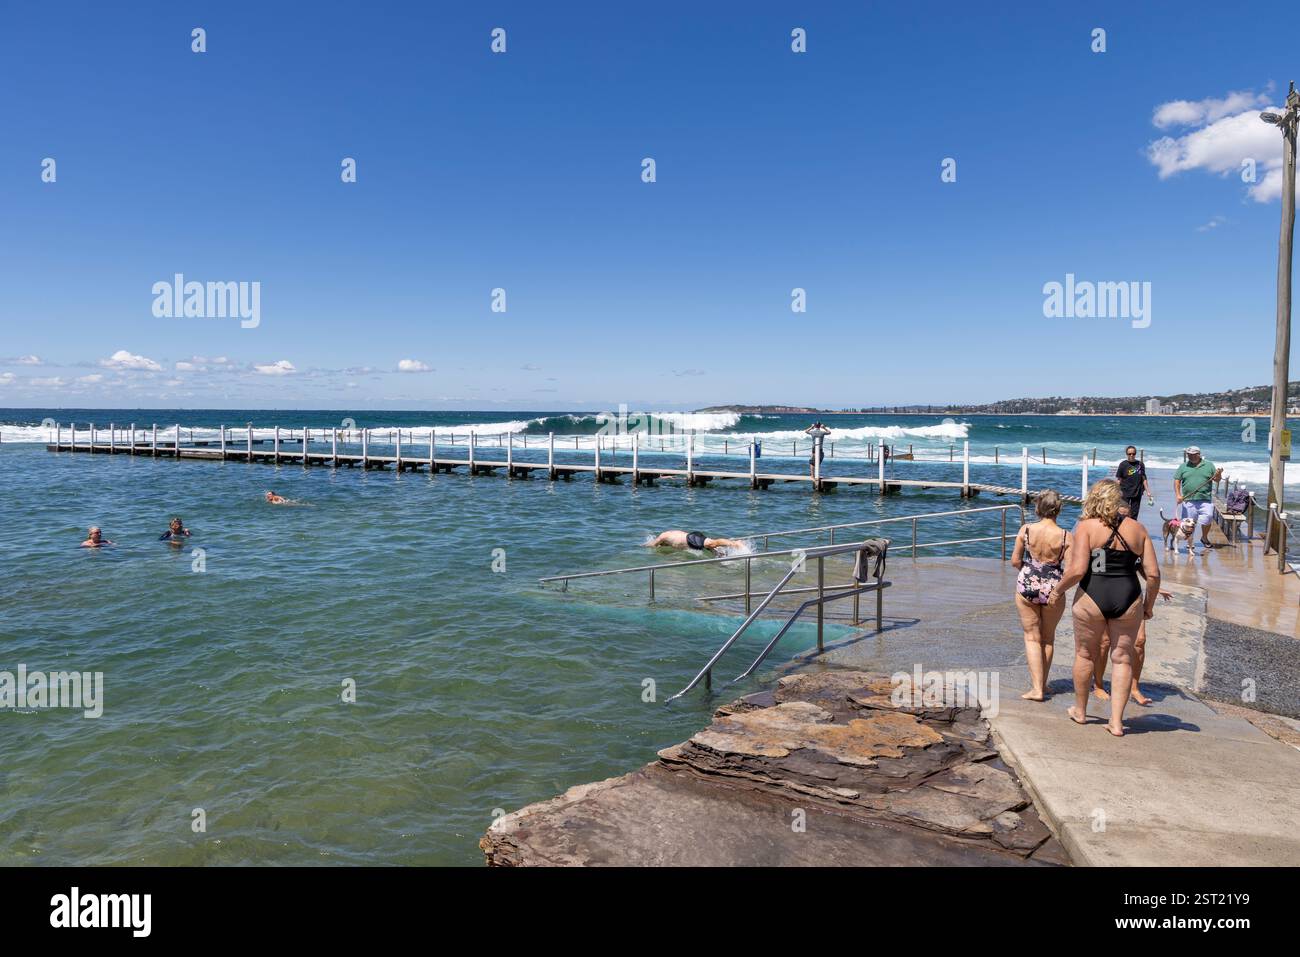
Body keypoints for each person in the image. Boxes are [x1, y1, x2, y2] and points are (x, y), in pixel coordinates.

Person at [1050, 479, 1161, 737]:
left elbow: (1077, 570)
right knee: (1122, 658)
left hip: (1092, 595)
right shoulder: (1138, 529)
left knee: (1085, 654)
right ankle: (1117, 722)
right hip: (1128, 596)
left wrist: (1057, 590)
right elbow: (1153, 575)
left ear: (1094, 499)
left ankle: (1080, 711)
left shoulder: (1086, 527)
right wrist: (1148, 606)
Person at [1010, 489, 1071, 701]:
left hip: (1028, 581)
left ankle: (1036, 688)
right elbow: (1072, 570)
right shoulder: (1065, 536)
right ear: (1059, 509)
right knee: (1047, 638)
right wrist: (1057, 587)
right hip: (1054, 586)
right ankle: (1042, 686)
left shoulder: (1026, 529)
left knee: (1031, 636)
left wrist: (1028, 573)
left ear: (1038, 508)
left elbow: (1015, 560)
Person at [1173, 446, 1222, 553]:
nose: (1189, 456)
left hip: (1205, 499)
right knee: (1189, 522)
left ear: (1198, 454)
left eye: (1192, 454)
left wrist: (1219, 474)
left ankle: (1204, 537)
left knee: (1208, 517)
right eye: (1188, 454)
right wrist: (1178, 495)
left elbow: (1217, 480)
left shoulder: (1209, 465)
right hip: (1188, 499)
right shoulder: (1183, 466)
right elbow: (1177, 480)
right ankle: (1190, 542)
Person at [1115, 446, 1154, 519]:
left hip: (1137, 492)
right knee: (1123, 513)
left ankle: (1132, 529)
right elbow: (1119, 479)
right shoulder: (1123, 465)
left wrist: (1148, 491)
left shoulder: (1140, 464)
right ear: (1127, 454)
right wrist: (1115, 491)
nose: (1131, 455)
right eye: (1129, 454)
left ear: (1135, 454)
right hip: (1124, 492)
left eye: (1133, 453)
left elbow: (1144, 478)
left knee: (1134, 514)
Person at [648, 530, 745, 554]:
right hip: (691, 537)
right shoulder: (668, 535)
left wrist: (644, 546)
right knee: (713, 549)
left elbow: (652, 545)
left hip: (690, 540)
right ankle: (728, 557)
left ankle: (735, 543)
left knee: (712, 543)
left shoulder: (662, 537)